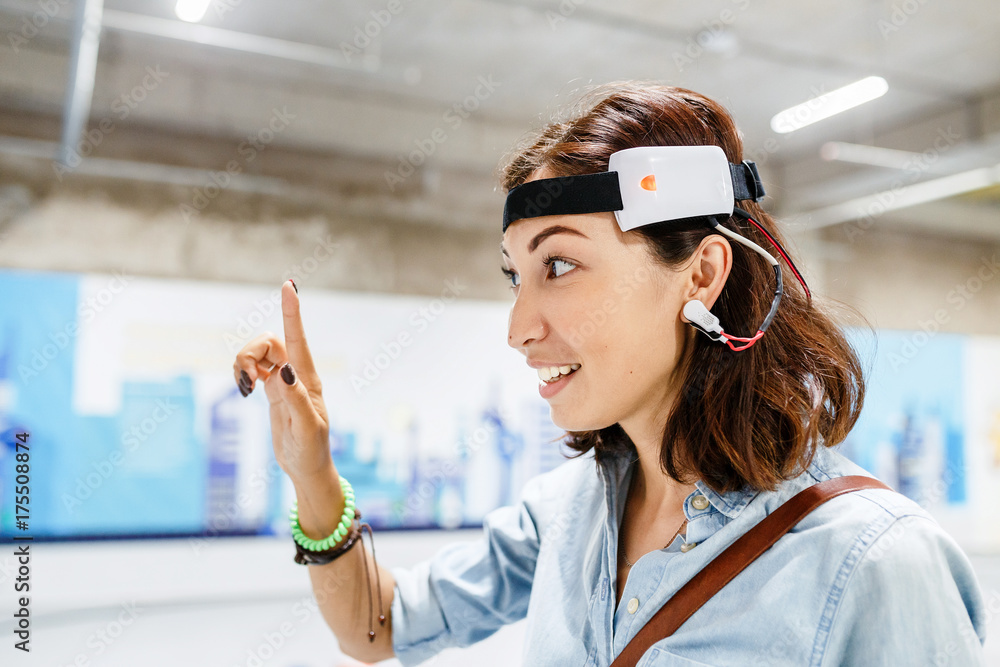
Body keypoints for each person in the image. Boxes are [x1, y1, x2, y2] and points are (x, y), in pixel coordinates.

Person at [232, 82, 988, 666]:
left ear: (701, 277)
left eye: (559, 265)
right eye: (516, 276)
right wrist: (312, 473)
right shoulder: (570, 515)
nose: (518, 329)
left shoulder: (874, 563)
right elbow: (378, 626)